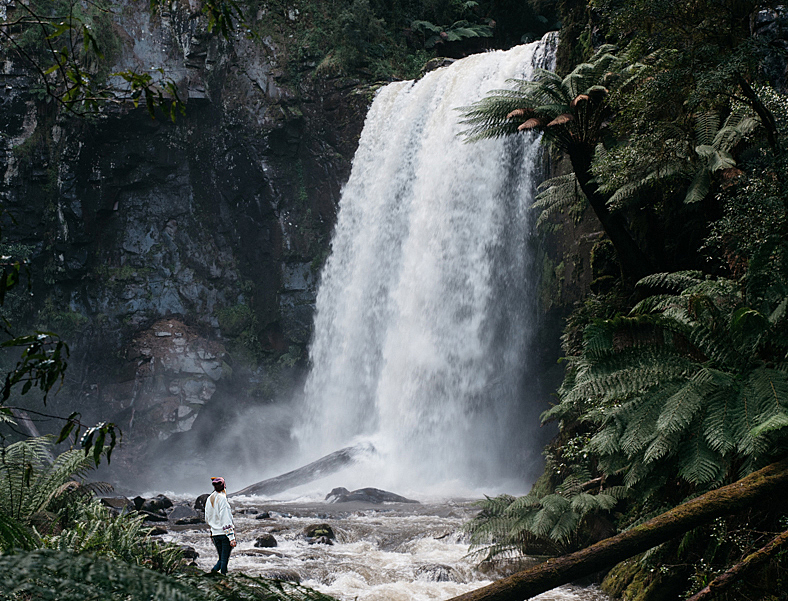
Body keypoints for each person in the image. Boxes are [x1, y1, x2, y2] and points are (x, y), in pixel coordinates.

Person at [205, 476, 236, 575]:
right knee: (224, 559)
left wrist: (211, 530)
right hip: (224, 534)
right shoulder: (222, 499)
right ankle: (222, 577)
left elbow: (207, 518)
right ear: (224, 486)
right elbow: (225, 519)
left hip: (215, 534)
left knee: (221, 559)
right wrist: (231, 537)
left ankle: (212, 575)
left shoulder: (210, 498)